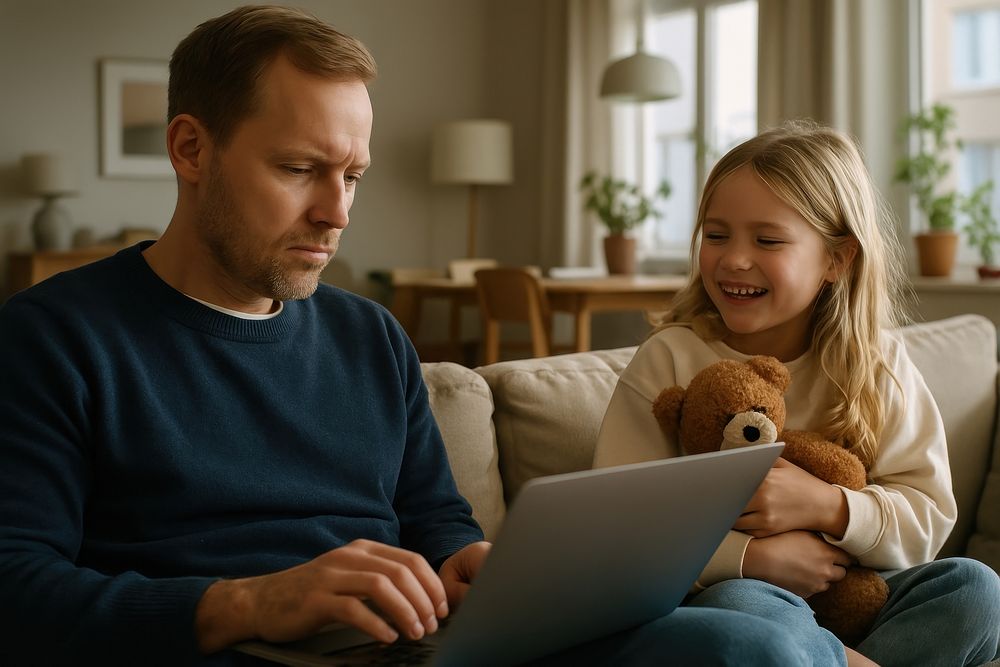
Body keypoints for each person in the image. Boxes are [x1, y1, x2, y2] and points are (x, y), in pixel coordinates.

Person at [0, 6, 855, 666]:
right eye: (299, 169)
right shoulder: (55, 338)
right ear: (190, 147)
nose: (337, 212)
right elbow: (17, 588)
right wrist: (248, 602)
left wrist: (471, 563)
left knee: (752, 648)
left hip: (424, 648)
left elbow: (437, 518)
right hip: (243, 648)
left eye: (353, 176)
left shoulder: (370, 336)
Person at [592, 120, 1000, 666]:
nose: (734, 259)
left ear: (837, 259)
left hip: (861, 596)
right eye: (716, 235)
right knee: (749, 616)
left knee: (976, 589)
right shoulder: (669, 358)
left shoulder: (878, 363)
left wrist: (830, 507)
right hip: (740, 598)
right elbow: (621, 528)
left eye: (767, 240)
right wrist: (750, 558)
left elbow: (925, 517)